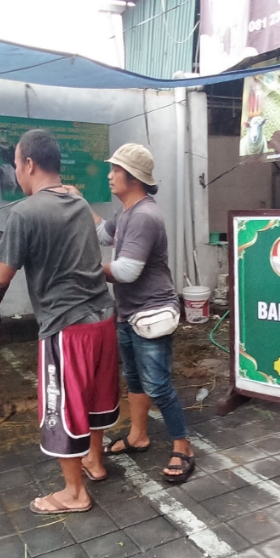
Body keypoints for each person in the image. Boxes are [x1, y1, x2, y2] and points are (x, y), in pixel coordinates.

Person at [0, 129, 119, 514]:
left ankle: (74, 493)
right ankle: (94, 462)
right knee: (94, 397)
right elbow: (45, 237)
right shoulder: (77, 201)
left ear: (28, 164)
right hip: (101, 319)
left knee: (62, 406)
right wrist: (0, 246)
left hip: (66, 328)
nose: (15, 172)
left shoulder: (25, 212)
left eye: (15, 164)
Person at [71, 143, 195, 484]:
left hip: (151, 312)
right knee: (137, 380)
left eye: (115, 170)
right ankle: (139, 435)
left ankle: (183, 446)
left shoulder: (143, 216)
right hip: (130, 313)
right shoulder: (128, 212)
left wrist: (82, 269)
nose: (110, 176)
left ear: (133, 177)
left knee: (158, 386)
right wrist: (78, 203)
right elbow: (101, 234)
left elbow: (126, 272)